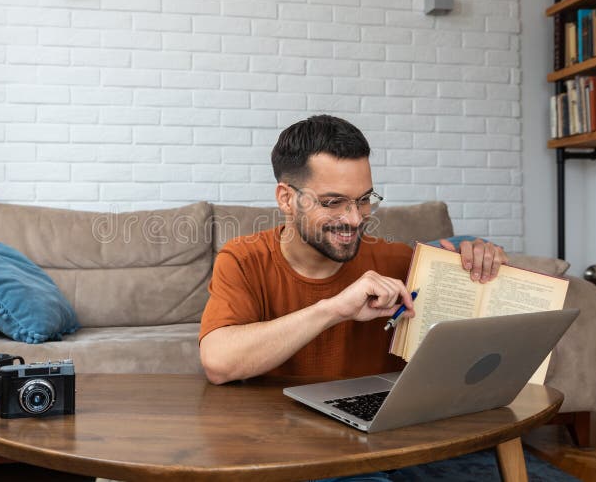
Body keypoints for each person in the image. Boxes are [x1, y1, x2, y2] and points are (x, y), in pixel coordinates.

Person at [199, 115, 508, 387]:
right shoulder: (243, 259)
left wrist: (479, 254)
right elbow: (219, 364)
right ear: (286, 199)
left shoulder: (399, 261)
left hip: (385, 438)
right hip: (283, 439)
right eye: (332, 202)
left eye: (363, 199)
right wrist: (336, 309)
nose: (355, 219)